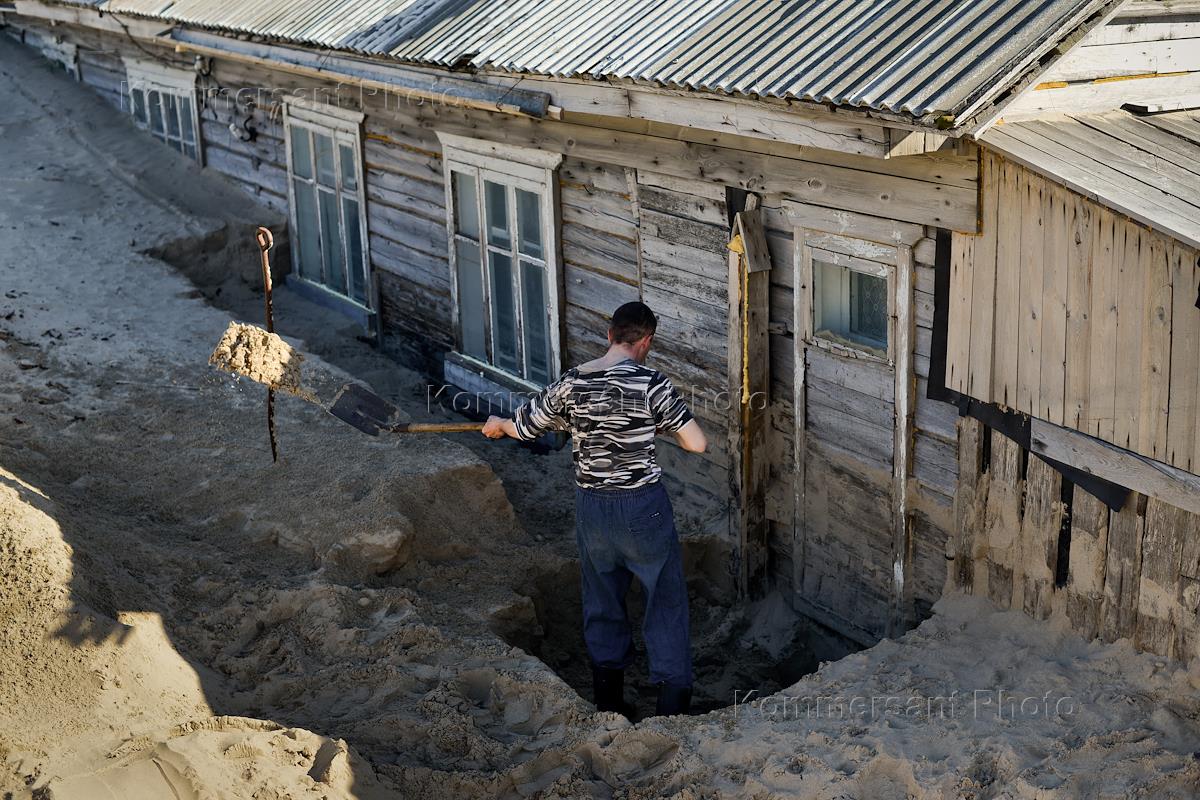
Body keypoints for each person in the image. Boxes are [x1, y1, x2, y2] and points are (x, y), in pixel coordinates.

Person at [482, 301, 707, 717]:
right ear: (647, 341)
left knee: (602, 599)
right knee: (665, 599)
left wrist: (500, 423)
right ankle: (672, 711)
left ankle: (609, 704)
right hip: (643, 509)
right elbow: (697, 444)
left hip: (593, 508)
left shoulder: (573, 382)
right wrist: (657, 427)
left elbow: (525, 427)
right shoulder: (652, 384)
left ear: (609, 334)